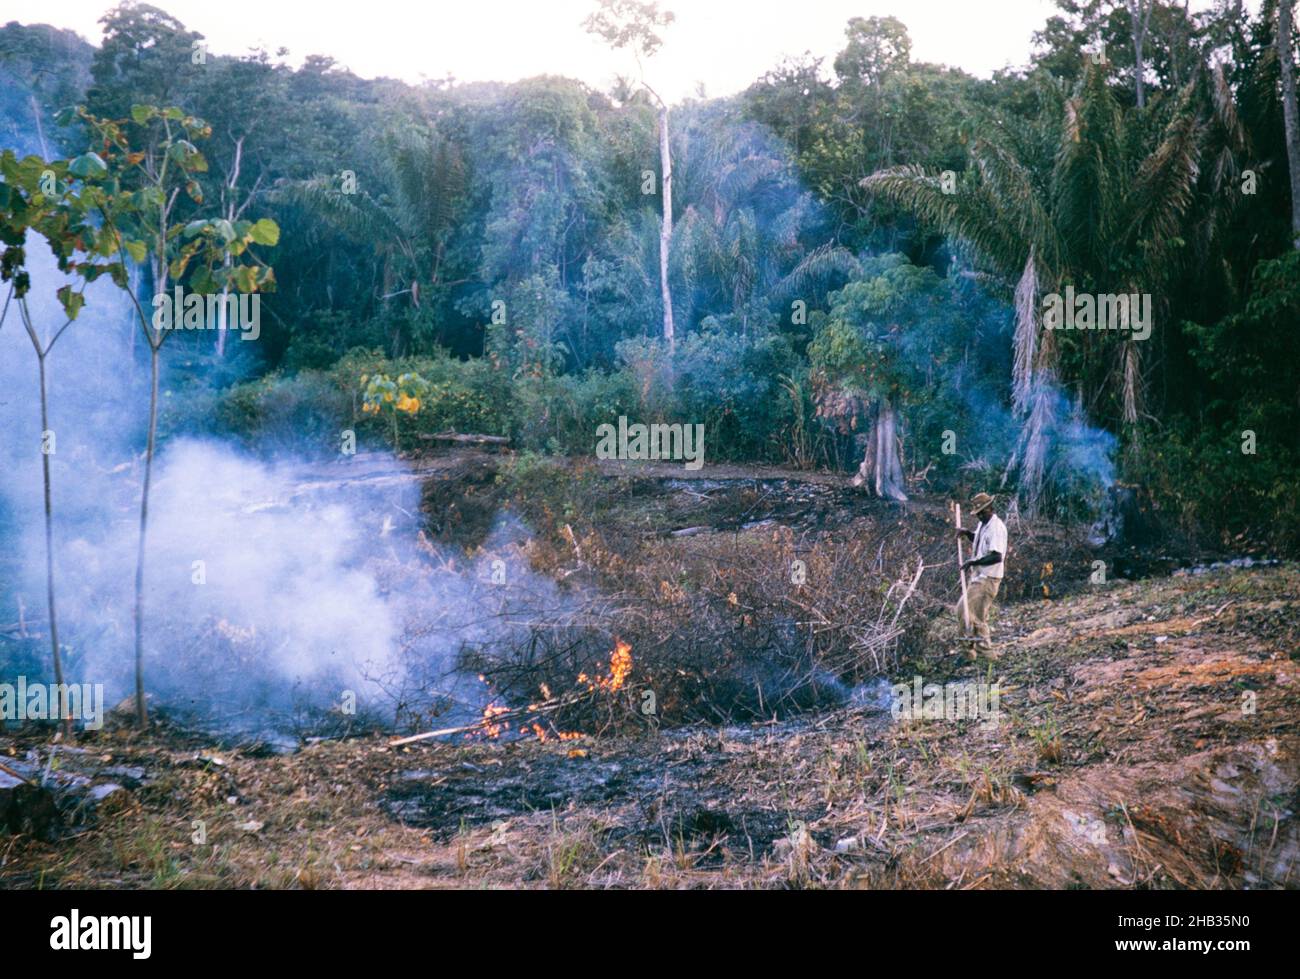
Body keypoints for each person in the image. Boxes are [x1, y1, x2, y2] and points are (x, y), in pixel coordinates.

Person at [954, 492, 1007, 658]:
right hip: (979, 577)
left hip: (988, 578)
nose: (980, 516)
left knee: (966, 610)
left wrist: (973, 562)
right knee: (973, 614)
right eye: (978, 513)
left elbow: (997, 556)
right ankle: (975, 651)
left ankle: (978, 651)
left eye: (983, 512)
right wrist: (967, 533)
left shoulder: (996, 528)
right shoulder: (984, 524)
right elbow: (981, 540)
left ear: (991, 508)